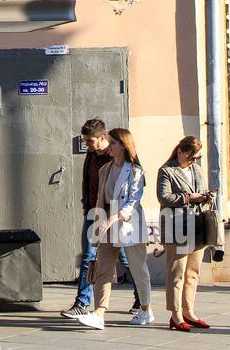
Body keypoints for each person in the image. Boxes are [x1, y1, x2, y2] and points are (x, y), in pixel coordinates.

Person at [72, 127, 154, 331]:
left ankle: (146, 309)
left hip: (129, 225)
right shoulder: (105, 169)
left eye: (113, 143)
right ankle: (99, 313)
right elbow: (101, 198)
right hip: (107, 221)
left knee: (138, 269)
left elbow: (133, 202)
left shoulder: (135, 171)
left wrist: (113, 219)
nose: (110, 146)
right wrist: (100, 221)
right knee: (103, 268)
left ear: (123, 146)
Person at [158, 135, 213, 332]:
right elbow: (164, 197)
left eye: (197, 158)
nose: (193, 161)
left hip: (197, 225)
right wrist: (189, 197)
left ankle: (189, 312)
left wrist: (207, 196)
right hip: (177, 227)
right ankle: (176, 315)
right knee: (177, 274)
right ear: (180, 151)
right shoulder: (167, 171)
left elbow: (202, 190)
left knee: (192, 273)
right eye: (191, 157)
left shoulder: (196, 170)